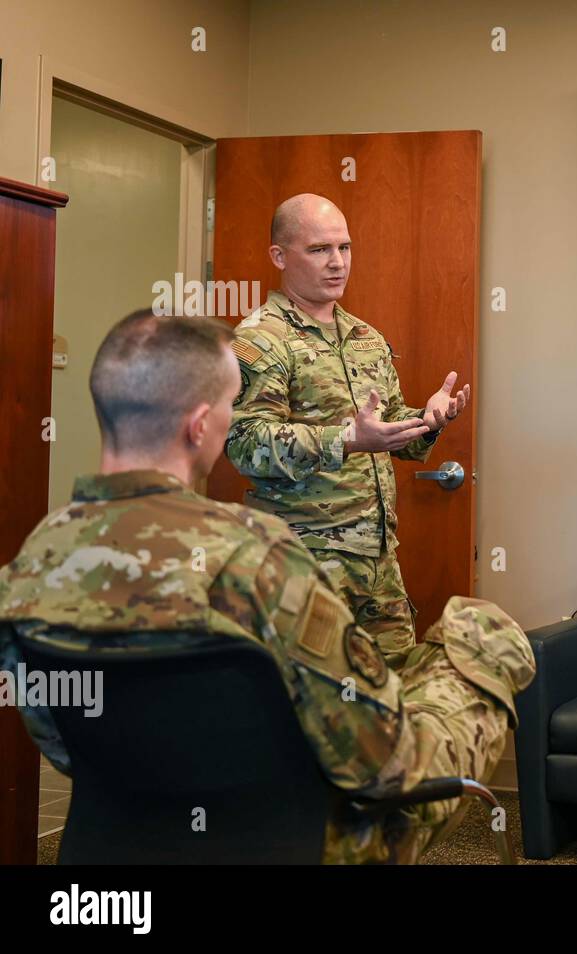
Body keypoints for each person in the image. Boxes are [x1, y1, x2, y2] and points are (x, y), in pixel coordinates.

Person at [0, 310, 534, 864]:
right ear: (200, 425)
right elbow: (383, 764)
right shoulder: (256, 556)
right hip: (292, 845)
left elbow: (62, 744)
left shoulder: (31, 563)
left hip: (119, 842)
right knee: (481, 633)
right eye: (232, 410)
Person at [225, 193, 470, 666]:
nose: (337, 263)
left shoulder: (365, 337)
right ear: (279, 256)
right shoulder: (258, 339)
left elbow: (388, 426)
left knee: (392, 705)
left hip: (377, 563)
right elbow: (244, 443)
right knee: (312, 715)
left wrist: (430, 419)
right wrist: (347, 440)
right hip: (303, 564)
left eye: (345, 248)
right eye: (319, 249)